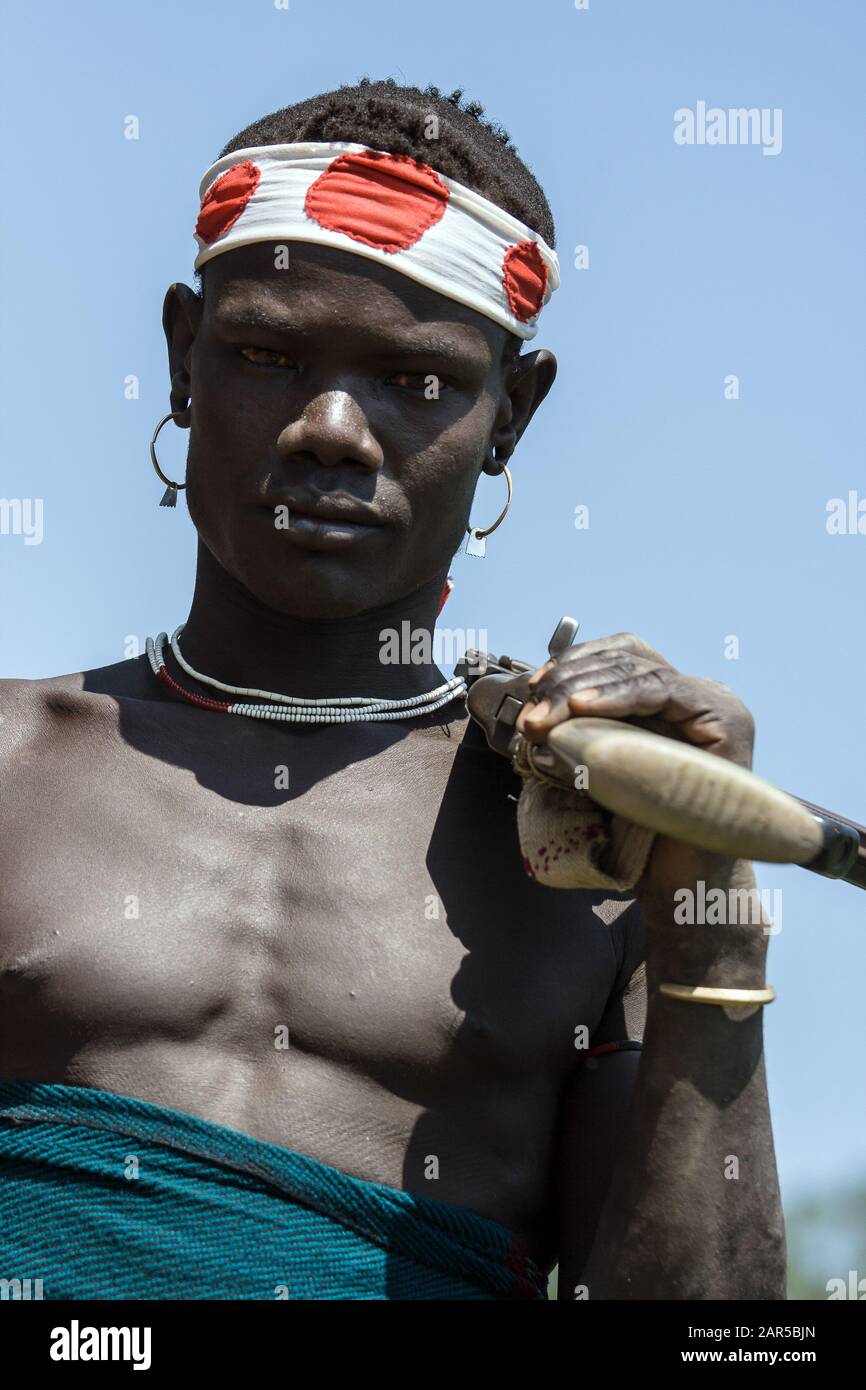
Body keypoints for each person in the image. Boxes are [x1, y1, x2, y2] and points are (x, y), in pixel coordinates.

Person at [0, 78, 784, 1301]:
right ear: (180, 360)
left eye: (413, 381)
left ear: (509, 417)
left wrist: (709, 900)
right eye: (265, 352)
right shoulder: (9, 770)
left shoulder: (591, 846)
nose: (330, 428)